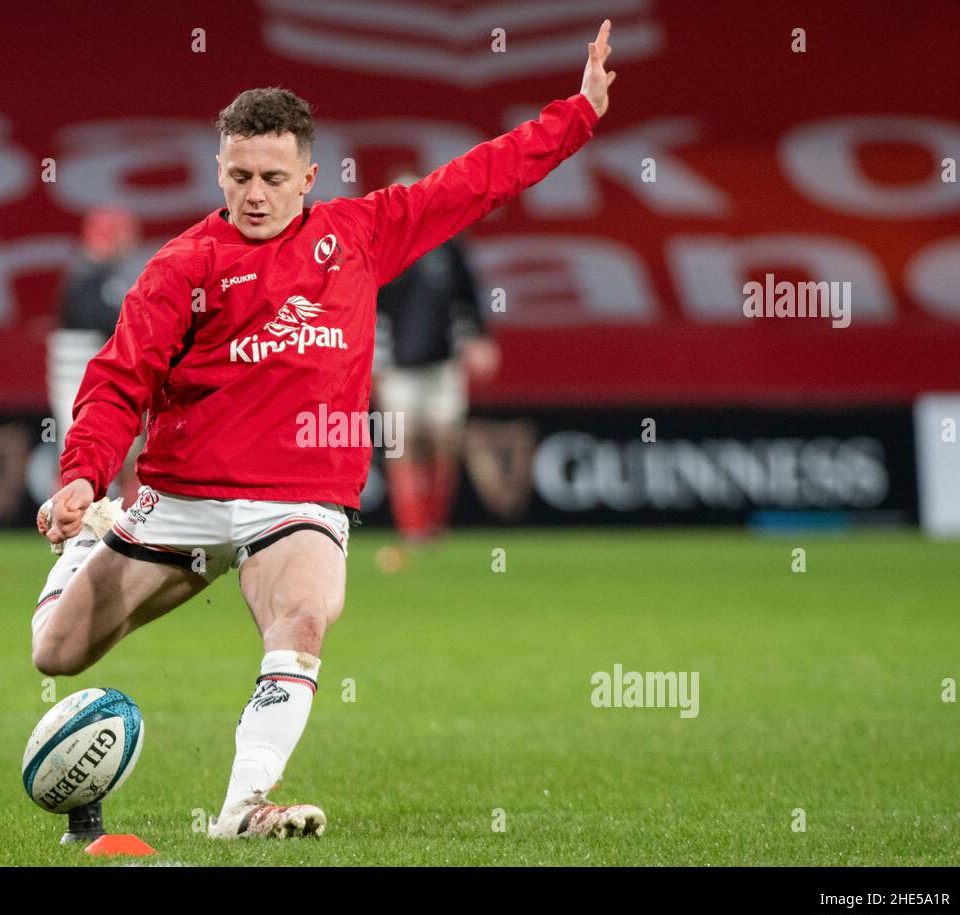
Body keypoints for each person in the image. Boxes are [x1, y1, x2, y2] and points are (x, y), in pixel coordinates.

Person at [31, 21, 617, 841]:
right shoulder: (183, 266)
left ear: (309, 175)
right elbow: (118, 380)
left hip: (299, 501)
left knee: (304, 616)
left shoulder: (361, 234)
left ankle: (242, 808)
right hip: (184, 496)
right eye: (239, 176)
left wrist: (577, 114)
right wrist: (84, 478)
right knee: (56, 653)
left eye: (274, 176)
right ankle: (82, 546)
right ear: (219, 172)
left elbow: (476, 180)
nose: (256, 194)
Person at [372, 170, 501, 563]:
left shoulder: (449, 245)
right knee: (405, 445)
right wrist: (372, 361)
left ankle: (435, 526)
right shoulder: (383, 247)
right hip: (398, 368)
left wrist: (478, 341)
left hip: (444, 365)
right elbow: (369, 311)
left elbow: (469, 300)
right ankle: (412, 530)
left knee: (444, 440)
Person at [48, 208, 145, 501]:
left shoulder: (99, 277)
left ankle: (118, 524)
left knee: (122, 454)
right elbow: (105, 323)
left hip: (96, 384)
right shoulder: (88, 279)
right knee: (85, 455)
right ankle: (73, 526)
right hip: (80, 385)